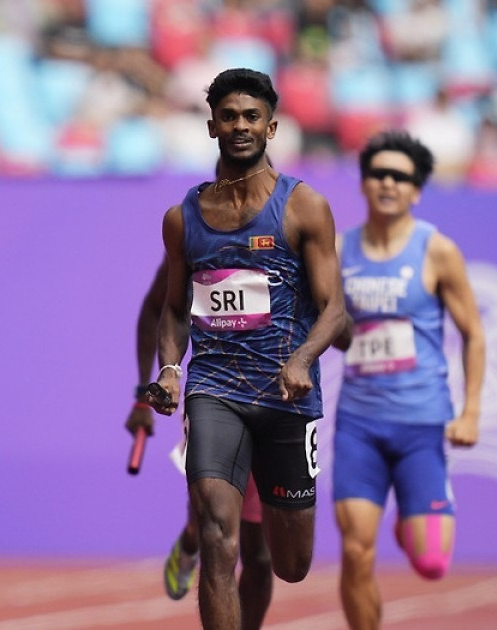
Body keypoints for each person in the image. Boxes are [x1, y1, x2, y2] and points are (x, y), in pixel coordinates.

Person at [147, 68, 347, 630]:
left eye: (251, 116)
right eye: (229, 116)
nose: (240, 126)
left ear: (272, 126)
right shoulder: (182, 219)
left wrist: (303, 359)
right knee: (217, 535)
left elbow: (334, 308)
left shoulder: (305, 207)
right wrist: (168, 370)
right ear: (212, 126)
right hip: (215, 390)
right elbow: (174, 309)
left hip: (286, 395)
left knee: (290, 564)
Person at [332, 130, 485, 630]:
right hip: (359, 423)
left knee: (432, 564)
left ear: (416, 191)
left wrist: (471, 411)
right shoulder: (338, 250)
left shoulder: (437, 251)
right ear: (363, 183)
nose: (388, 183)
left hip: (421, 422)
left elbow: (473, 335)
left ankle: (410, 521)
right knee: (356, 551)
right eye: (379, 174)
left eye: (401, 177)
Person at [126, 259, 274, 628]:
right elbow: (153, 307)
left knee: (258, 554)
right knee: (216, 532)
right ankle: (193, 538)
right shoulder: (196, 230)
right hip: (214, 397)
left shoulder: (289, 226)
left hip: (274, 405)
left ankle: (194, 538)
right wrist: (144, 394)